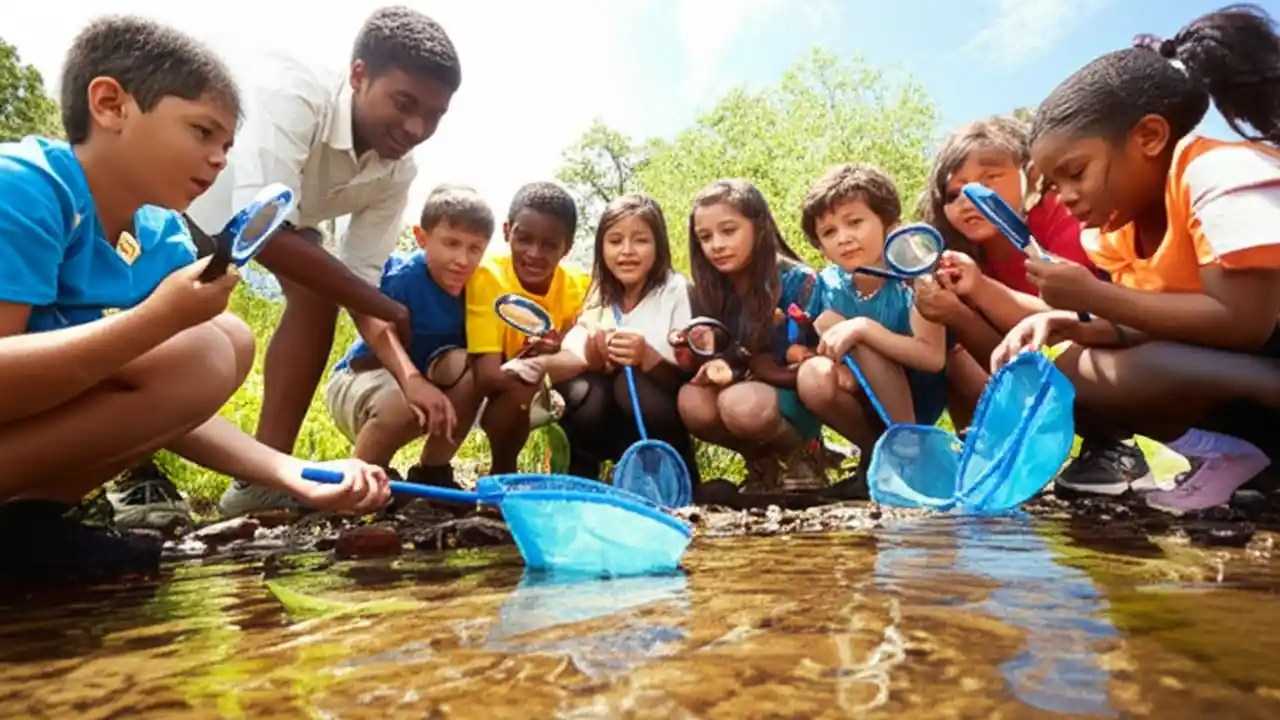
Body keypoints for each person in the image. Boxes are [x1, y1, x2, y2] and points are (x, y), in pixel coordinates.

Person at [0, 16, 390, 585]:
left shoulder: (161, 236)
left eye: (228, 144)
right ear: (111, 105)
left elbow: (172, 403)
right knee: (211, 342)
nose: (218, 160)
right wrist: (157, 320)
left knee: (226, 340)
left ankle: (27, 525)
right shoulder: (26, 189)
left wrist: (293, 472)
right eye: (201, 131)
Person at [175, 5, 462, 518]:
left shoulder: (396, 173)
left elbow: (359, 284)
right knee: (166, 316)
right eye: (404, 103)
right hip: (188, 202)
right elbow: (255, 226)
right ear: (358, 76)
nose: (417, 127)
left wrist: (409, 376)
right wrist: (381, 305)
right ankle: (131, 469)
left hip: (284, 221)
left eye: (435, 115)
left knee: (317, 296)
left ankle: (261, 480)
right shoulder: (294, 95)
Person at [992, 3, 1280, 512]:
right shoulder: (1112, 234)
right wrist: (1078, 323)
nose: (1066, 198)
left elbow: (1246, 323)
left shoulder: (1218, 175)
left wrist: (1096, 296)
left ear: (1148, 137)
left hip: (1261, 352)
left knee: (1130, 365)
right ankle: (1241, 458)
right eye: (1053, 186)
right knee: (1074, 369)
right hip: (1248, 383)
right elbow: (1167, 322)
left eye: (1076, 172)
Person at [916, 116, 1155, 496]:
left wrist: (982, 289)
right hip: (1036, 368)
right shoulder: (961, 256)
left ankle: (1115, 447)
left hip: (1116, 348)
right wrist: (956, 309)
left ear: (1029, 173)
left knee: (1059, 343)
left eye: (988, 178)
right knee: (955, 341)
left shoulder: (1062, 218)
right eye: (953, 193)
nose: (968, 200)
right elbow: (994, 346)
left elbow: (1081, 317)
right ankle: (985, 450)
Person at [504, 193, 697, 482]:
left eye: (641, 240)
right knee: (582, 389)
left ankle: (669, 475)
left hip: (662, 416)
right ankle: (582, 477)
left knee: (625, 383)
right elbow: (574, 354)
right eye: (615, 241)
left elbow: (689, 375)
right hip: (609, 421)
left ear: (659, 245)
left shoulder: (676, 290)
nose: (627, 251)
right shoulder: (598, 295)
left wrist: (646, 357)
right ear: (601, 247)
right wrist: (539, 365)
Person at [324, 184, 491, 486]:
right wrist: (412, 382)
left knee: (474, 370)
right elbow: (373, 325)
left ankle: (432, 472)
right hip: (363, 377)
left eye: (474, 248)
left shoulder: (481, 291)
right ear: (422, 238)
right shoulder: (401, 278)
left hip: (428, 379)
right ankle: (360, 477)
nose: (463, 259)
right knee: (401, 403)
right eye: (451, 243)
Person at [795, 164, 948, 492]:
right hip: (863, 398)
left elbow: (933, 357)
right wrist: (838, 361)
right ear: (820, 246)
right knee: (814, 374)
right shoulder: (829, 283)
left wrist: (863, 328)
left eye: (855, 222)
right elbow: (811, 340)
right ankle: (876, 453)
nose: (844, 238)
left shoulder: (914, 277)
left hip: (916, 395)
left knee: (855, 333)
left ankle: (911, 456)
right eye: (830, 232)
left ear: (889, 225)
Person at [675, 179, 826, 493]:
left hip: (793, 395)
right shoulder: (711, 291)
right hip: (743, 388)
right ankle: (762, 463)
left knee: (738, 403)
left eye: (728, 231)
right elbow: (722, 357)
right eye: (705, 237)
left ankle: (803, 453)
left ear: (758, 227)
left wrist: (756, 369)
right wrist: (697, 351)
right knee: (692, 400)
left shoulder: (799, 281)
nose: (716, 244)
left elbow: (814, 361)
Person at [464, 182, 590, 475]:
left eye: (549, 245)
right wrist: (535, 366)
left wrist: (557, 351)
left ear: (567, 247)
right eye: (524, 239)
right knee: (523, 382)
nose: (534, 253)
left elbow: (585, 353)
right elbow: (487, 376)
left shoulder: (581, 287)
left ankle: (576, 472)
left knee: (588, 389)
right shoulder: (487, 276)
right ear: (507, 232)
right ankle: (502, 472)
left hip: (551, 385)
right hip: (489, 390)